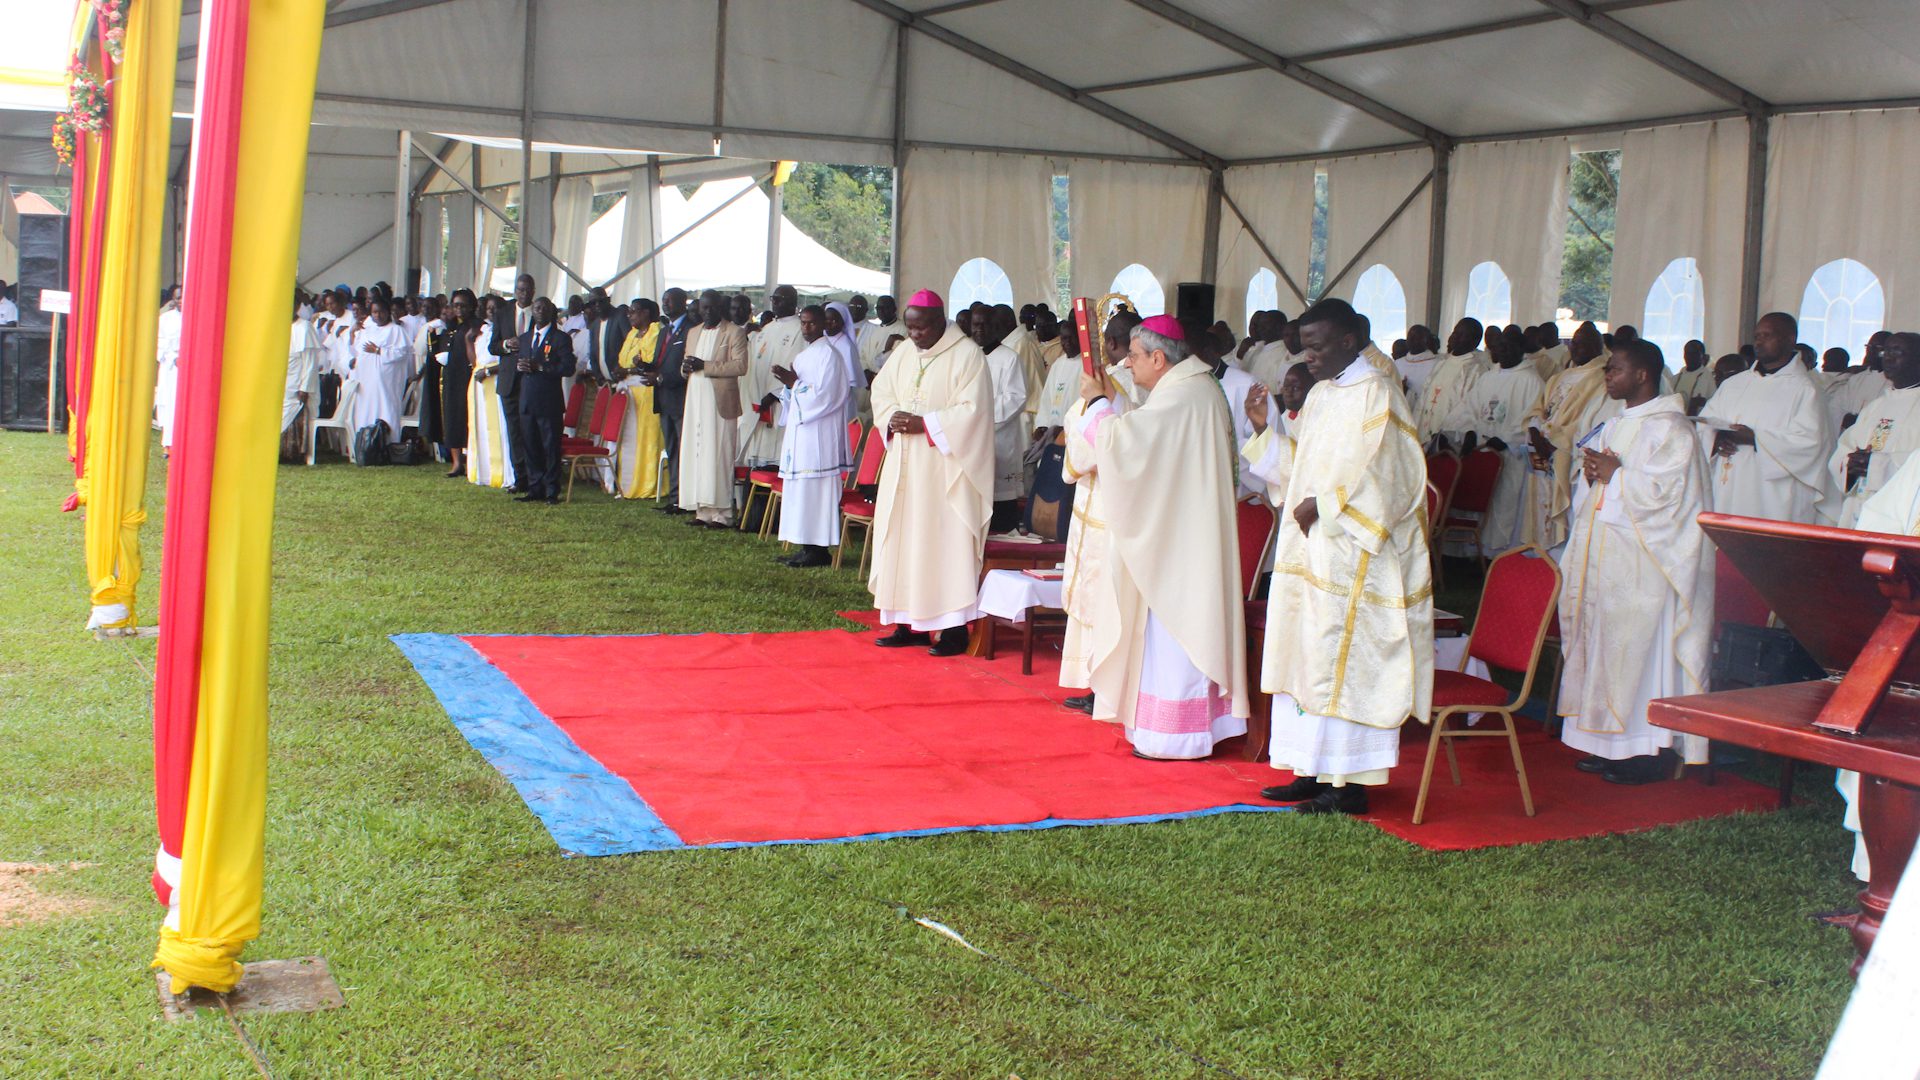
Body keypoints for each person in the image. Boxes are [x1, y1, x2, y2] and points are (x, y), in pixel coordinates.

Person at [1258, 298, 1434, 816]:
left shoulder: (1377, 393)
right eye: (1303, 346)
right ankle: (1309, 767)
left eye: (1314, 346)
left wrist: (1327, 505)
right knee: (1308, 654)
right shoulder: (1324, 395)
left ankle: (1349, 783)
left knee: (1342, 656)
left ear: (1349, 341)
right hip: (1314, 551)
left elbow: (1394, 475)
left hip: (1355, 554)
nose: (1305, 356)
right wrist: (1264, 436)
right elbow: (1302, 466)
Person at [1067, 315, 1250, 760]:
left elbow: (1125, 445)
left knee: (1176, 629)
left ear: (1157, 357)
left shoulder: (1185, 395)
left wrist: (1096, 406)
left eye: (1131, 356)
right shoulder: (1191, 389)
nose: (1126, 365)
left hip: (1180, 544)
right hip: (1182, 531)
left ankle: (1175, 737)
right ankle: (1170, 729)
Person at [1556, 338, 1713, 783]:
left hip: (1648, 564)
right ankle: (1606, 745)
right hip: (1608, 557)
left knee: (1639, 656)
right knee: (1604, 647)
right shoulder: (1614, 425)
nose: (1608, 376)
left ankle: (1648, 751)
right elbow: (1598, 486)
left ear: (1643, 375)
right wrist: (1592, 476)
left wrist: (1616, 476)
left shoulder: (1671, 429)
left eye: (1616, 369)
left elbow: (1672, 502)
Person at [868, 289, 996, 657]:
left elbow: (975, 411)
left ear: (941, 321)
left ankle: (952, 629)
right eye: (910, 328)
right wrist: (892, 416)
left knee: (942, 544)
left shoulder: (968, 355)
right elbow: (882, 391)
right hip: (904, 464)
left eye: (921, 328)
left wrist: (926, 424)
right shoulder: (905, 351)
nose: (914, 335)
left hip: (944, 470)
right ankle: (908, 623)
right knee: (904, 540)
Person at [1060, 310, 1143, 713]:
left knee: (1106, 592)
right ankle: (1098, 684)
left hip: (1109, 501)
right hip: (1106, 501)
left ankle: (1103, 688)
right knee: (1100, 591)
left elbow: (1081, 442)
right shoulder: (1145, 385)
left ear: (1111, 344)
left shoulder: (1113, 386)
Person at [1697, 312, 1834, 524]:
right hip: (1728, 487)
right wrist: (1717, 440)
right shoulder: (1734, 384)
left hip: (1771, 496)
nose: (1759, 342)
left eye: (1767, 336)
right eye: (1757, 336)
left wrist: (1754, 439)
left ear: (1790, 340)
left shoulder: (1805, 390)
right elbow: (1707, 423)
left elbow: (1812, 444)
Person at [772, 305, 854, 568]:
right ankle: (804, 546)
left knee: (816, 492)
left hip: (819, 437)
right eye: (803, 323)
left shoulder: (830, 355)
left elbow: (827, 397)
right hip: (801, 435)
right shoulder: (804, 355)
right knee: (801, 492)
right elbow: (795, 393)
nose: (806, 328)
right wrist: (788, 386)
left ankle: (819, 551)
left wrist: (794, 384)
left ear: (822, 324)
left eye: (811, 323)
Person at [1521, 320, 1611, 551]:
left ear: (1597, 347)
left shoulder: (1601, 379)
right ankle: (1537, 562)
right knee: (1539, 511)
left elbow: (1589, 422)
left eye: (1583, 344)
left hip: (1564, 455)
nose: (1576, 348)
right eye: (1574, 343)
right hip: (1541, 451)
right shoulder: (1558, 378)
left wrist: (1553, 442)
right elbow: (1537, 409)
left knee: (1565, 519)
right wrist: (1534, 430)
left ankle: (1559, 565)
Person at [1462, 328, 1548, 554]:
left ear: (1521, 350)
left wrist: (1508, 440)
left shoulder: (1532, 381)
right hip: (1481, 452)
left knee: (1504, 505)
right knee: (1477, 501)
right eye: (1500, 347)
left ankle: (1498, 554)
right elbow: (1469, 408)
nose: (1504, 351)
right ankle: (1473, 552)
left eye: (1510, 347)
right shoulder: (1487, 377)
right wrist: (1469, 430)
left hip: (1510, 457)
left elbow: (1534, 420)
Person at [1830, 332, 1920, 528]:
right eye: (1886, 351)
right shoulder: (1875, 407)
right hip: (1859, 507)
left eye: (1898, 351)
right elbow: (1844, 448)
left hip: (1898, 515)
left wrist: (1879, 465)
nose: (1888, 357)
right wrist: (1850, 464)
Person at [677, 290, 749, 526]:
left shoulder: (734, 332)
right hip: (695, 397)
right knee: (696, 451)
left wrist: (705, 365)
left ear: (721, 307)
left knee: (718, 453)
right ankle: (702, 510)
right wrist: (686, 367)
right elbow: (686, 361)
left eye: (712, 308)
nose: (707, 312)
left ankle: (722, 514)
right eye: (703, 308)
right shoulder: (693, 331)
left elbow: (740, 366)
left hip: (719, 401)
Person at [510, 298, 573, 503]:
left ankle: (551, 490)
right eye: (537, 308)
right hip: (527, 399)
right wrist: (521, 367)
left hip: (549, 401)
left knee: (550, 446)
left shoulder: (560, 338)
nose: (540, 312)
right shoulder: (526, 338)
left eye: (545, 309)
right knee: (530, 445)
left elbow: (568, 367)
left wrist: (542, 367)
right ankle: (534, 487)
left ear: (551, 312)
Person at [974, 306, 1031, 531]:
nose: (978, 330)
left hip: (1000, 439)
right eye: (975, 325)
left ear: (995, 327)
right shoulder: (969, 356)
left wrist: (979, 416)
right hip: (972, 439)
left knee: (1001, 501)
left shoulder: (1009, 358)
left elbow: (1016, 398)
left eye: (984, 325)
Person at [741, 285, 802, 469]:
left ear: (792, 301)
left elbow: (796, 364)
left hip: (779, 402)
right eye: (773, 298)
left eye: (779, 298)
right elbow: (754, 359)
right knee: (757, 456)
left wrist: (774, 394)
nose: (774, 303)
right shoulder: (768, 328)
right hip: (759, 400)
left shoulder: (799, 329)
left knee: (776, 454)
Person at [489, 274, 539, 492]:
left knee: (532, 430)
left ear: (533, 291)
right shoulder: (503, 313)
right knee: (514, 431)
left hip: (533, 381)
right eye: (520, 290)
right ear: (515, 291)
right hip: (509, 381)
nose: (524, 294)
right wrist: (506, 345)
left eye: (527, 290)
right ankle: (520, 478)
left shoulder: (541, 312)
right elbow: (493, 346)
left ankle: (536, 475)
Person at [613, 298, 666, 499]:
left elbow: (653, 361)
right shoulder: (632, 333)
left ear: (645, 313)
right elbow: (623, 358)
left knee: (647, 438)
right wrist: (621, 370)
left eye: (633, 312)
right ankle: (628, 481)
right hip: (629, 391)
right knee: (629, 439)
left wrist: (630, 368)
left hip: (646, 389)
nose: (630, 316)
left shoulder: (655, 331)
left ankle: (648, 483)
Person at [1415, 317, 1488, 449]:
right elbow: (1424, 398)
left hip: (1450, 442)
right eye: (1455, 332)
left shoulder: (1476, 370)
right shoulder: (1441, 363)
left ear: (1475, 341)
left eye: (1461, 335)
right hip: (1424, 435)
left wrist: (1447, 434)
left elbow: (1469, 409)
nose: (1454, 337)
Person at [349, 296, 413, 444]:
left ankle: (387, 443)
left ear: (388, 312)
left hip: (386, 382)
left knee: (386, 409)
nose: (378, 315)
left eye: (381, 312)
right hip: (366, 380)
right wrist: (353, 334)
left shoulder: (396, 330)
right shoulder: (367, 330)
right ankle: (366, 443)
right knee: (366, 409)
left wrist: (378, 350)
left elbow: (402, 353)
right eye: (374, 312)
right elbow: (355, 351)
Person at [654, 288, 693, 512]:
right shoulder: (664, 331)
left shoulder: (689, 329)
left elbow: (685, 365)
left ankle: (684, 498)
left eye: (670, 300)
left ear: (682, 302)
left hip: (681, 397)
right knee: (671, 448)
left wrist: (661, 376)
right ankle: (675, 495)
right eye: (663, 300)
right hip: (663, 398)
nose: (666, 304)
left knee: (682, 448)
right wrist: (648, 369)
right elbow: (661, 361)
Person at [439, 290, 477, 479]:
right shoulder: (451, 327)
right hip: (451, 377)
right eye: (456, 305)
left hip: (468, 377)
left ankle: (472, 460)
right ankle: (456, 463)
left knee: (469, 418)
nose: (459, 309)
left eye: (462, 305)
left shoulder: (476, 326)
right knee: (452, 418)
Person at [282, 298, 323, 461]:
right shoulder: (282, 325)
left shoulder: (305, 327)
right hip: (285, 380)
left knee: (297, 413)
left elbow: (310, 362)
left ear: (297, 306)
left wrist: (304, 387)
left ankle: (297, 453)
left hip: (299, 383)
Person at [154, 287, 184, 450]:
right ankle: (168, 444)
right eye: (178, 298)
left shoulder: (195, 317)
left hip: (190, 369)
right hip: (171, 368)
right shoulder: (165, 319)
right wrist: (174, 358)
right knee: (170, 404)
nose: (181, 301)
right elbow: (160, 343)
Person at [1393, 324, 1441, 402]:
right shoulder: (1397, 364)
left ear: (1426, 341)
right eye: (1410, 337)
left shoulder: (1438, 365)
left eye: (1416, 337)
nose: (1412, 340)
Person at [1673, 339, 1715, 415]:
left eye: (1694, 354)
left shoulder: (1707, 378)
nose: (1689, 357)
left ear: (1702, 356)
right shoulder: (1676, 378)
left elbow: (1712, 405)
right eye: (1687, 353)